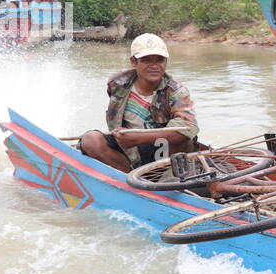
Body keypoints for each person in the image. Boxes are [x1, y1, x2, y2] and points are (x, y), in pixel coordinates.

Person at [79, 33, 199, 172]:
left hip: (162, 148)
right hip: (129, 147)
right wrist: (127, 138)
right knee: (90, 140)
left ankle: (161, 179)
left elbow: (188, 128)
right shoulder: (117, 84)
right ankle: (130, 176)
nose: (154, 66)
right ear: (134, 62)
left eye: (159, 60)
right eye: (146, 60)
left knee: (183, 138)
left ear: (165, 62)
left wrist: (138, 138)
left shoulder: (176, 90)